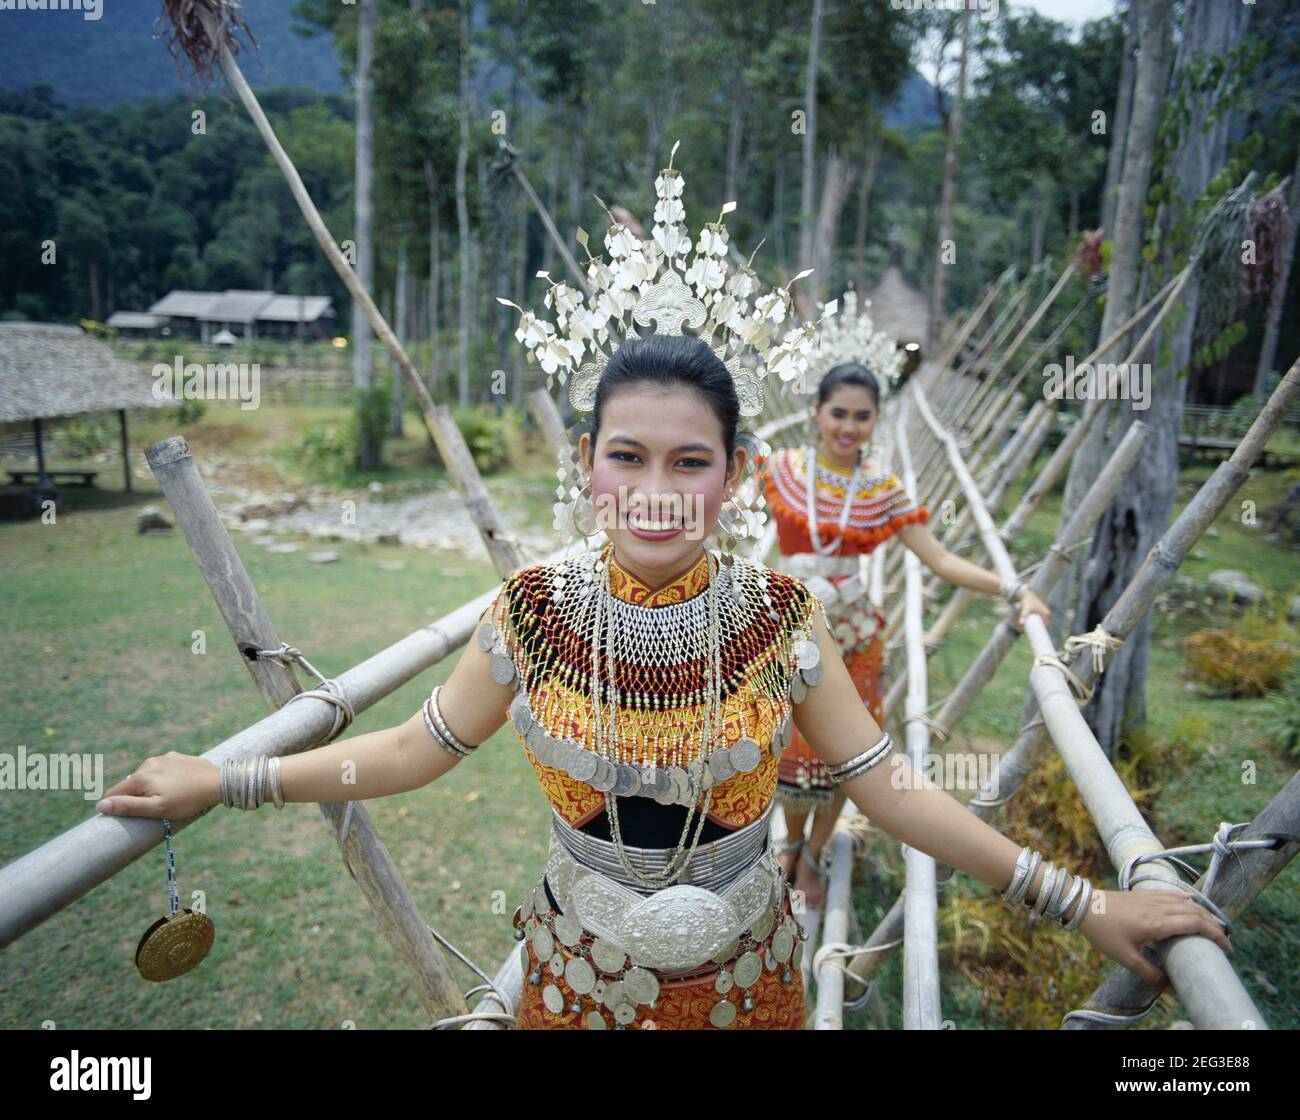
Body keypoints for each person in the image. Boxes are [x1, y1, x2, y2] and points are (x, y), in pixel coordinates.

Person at [95, 156, 1228, 1030]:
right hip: (577, 982)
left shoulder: (782, 624)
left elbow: (886, 785)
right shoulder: (531, 614)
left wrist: (1088, 903)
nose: (654, 491)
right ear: (587, 459)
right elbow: (406, 754)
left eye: (689, 462)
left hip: (750, 982)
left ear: (733, 474)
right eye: (626, 456)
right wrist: (224, 777)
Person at [757, 360, 1053, 910]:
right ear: (817, 411)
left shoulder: (881, 489)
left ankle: (814, 858)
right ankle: (789, 846)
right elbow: (716, 504)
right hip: (784, 631)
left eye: (862, 417)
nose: (848, 427)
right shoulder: (779, 469)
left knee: (846, 754)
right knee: (790, 749)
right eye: (838, 413)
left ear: (877, 419)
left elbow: (939, 559)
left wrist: (1014, 592)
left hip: (851, 635)